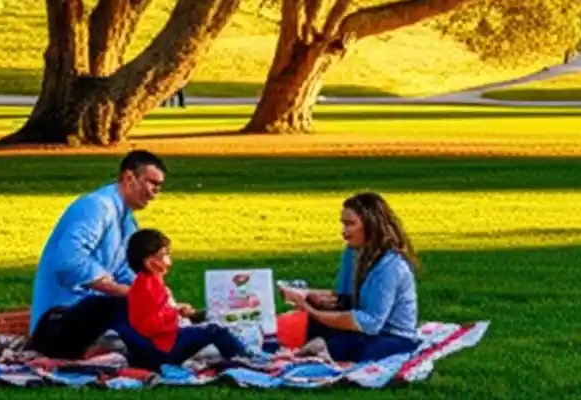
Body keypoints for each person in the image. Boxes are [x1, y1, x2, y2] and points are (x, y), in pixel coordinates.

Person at [29, 150, 166, 358]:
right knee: (126, 318)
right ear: (129, 178)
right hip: (57, 321)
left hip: (91, 315)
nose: (155, 192)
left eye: (159, 187)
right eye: (152, 183)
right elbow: (68, 260)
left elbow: (126, 270)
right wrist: (117, 290)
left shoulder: (126, 219)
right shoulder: (96, 207)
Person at [280, 193, 420, 363]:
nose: (344, 231)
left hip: (390, 336)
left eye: (350, 224)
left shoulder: (390, 266)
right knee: (310, 325)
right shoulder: (352, 252)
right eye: (343, 224)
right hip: (361, 329)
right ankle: (318, 347)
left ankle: (322, 350)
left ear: (371, 225)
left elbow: (371, 323)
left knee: (342, 344)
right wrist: (307, 295)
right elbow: (343, 298)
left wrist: (312, 310)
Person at [123, 229, 258, 369]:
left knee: (210, 319)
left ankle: (236, 352)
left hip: (167, 340)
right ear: (150, 263)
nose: (169, 261)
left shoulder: (151, 282)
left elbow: (159, 310)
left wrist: (178, 310)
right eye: (164, 255)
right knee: (214, 330)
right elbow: (148, 325)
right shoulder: (146, 287)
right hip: (163, 348)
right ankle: (243, 358)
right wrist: (176, 313)